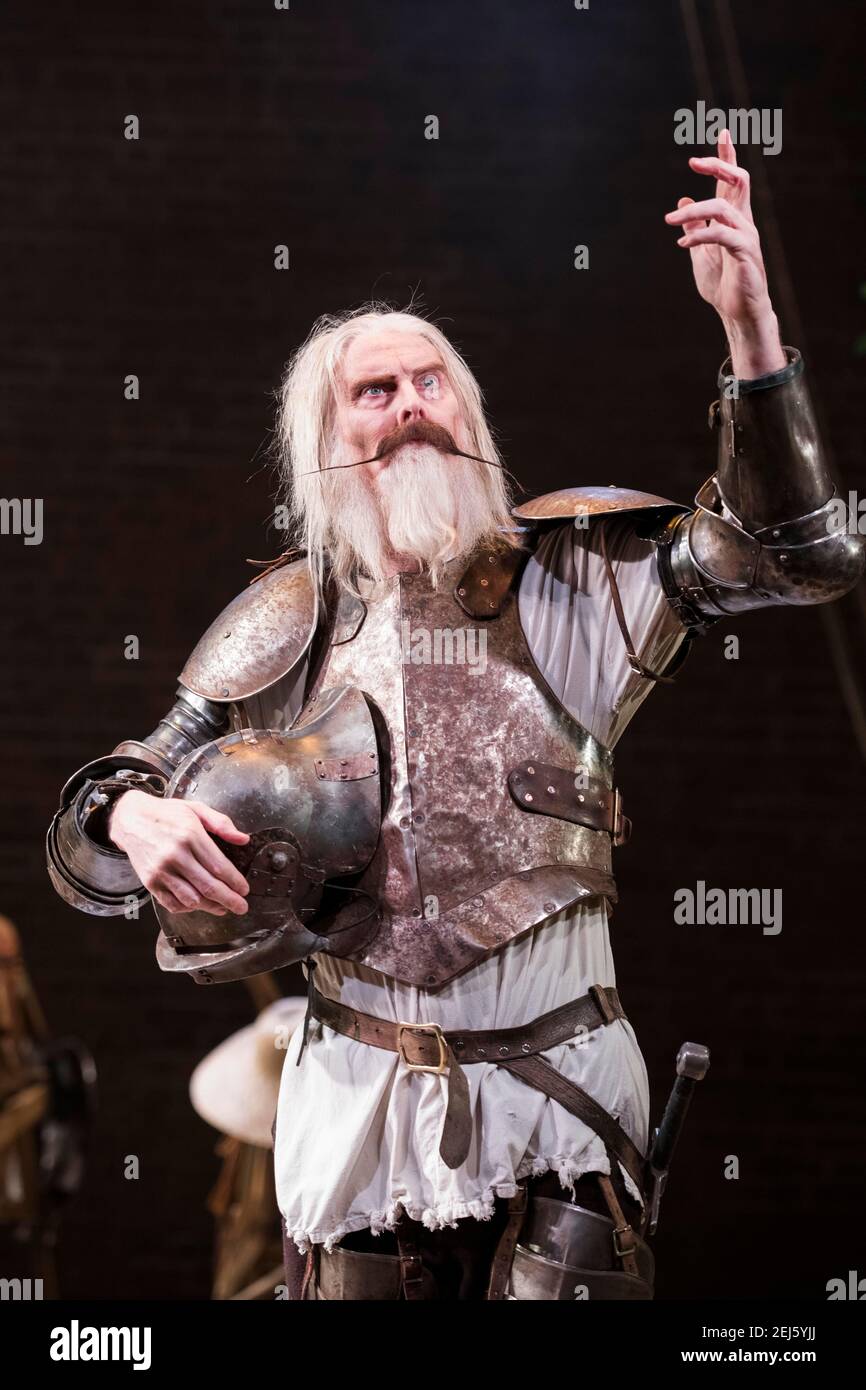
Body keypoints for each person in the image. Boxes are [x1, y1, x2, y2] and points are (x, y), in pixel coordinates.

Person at [46, 132, 864, 1299]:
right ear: (328, 444)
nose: (411, 407)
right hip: (357, 1113)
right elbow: (93, 832)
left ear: (469, 416)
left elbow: (799, 556)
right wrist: (131, 818)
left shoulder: (572, 578)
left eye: (432, 382)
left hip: (562, 1112)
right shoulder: (285, 621)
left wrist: (749, 333)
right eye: (374, 392)